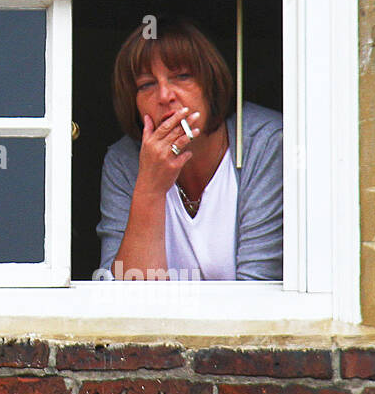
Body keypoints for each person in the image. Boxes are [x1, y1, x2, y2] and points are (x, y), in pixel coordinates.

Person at [96, 15, 283, 282]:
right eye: (147, 85)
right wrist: (150, 188)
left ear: (211, 84)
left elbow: (258, 289)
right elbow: (126, 302)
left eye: (182, 77)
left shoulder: (265, 143)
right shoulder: (123, 161)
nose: (164, 96)